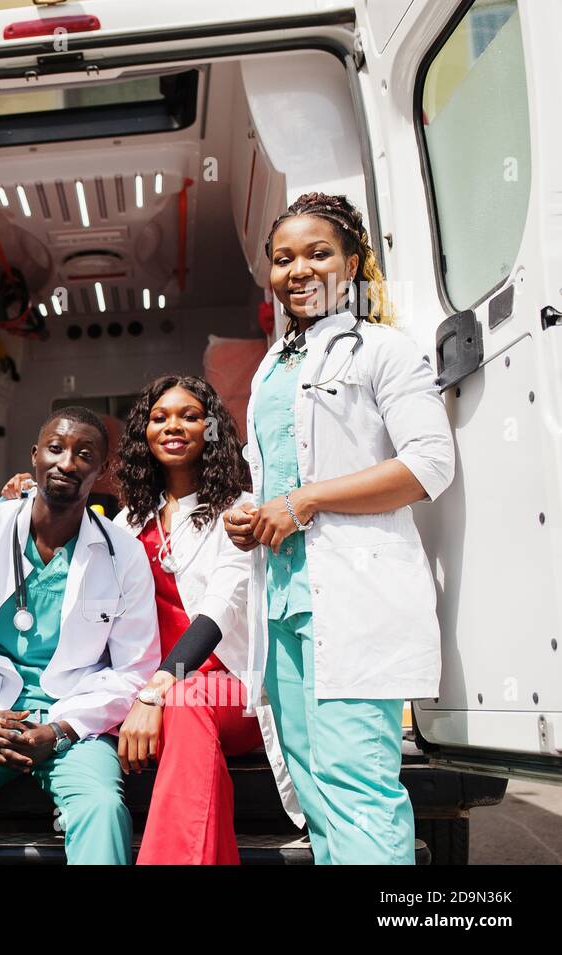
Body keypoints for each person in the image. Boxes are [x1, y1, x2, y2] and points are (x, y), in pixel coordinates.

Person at [224, 192, 455, 864]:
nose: (299, 269)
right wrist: (254, 512)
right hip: (287, 605)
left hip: (355, 602)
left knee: (358, 789)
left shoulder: (384, 348)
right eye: (283, 258)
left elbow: (428, 465)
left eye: (318, 253)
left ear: (350, 263)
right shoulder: (273, 367)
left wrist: (305, 501)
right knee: (319, 796)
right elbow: (276, 474)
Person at [2, 382, 301, 864]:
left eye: (189, 415)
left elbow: (220, 609)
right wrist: (29, 493)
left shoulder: (240, 509)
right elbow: (60, 539)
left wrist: (155, 691)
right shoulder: (127, 522)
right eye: (160, 417)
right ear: (146, 432)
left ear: (213, 428)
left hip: (224, 691)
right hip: (145, 693)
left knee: (186, 699)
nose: (173, 427)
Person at [0, 408, 159, 865]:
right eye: (56, 448)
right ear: (35, 456)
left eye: (84, 454)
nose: (67, 462)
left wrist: (58, 730)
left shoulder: (125, 553)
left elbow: (134, 667)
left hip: (72, 721)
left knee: (100, 807)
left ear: (102, 470)